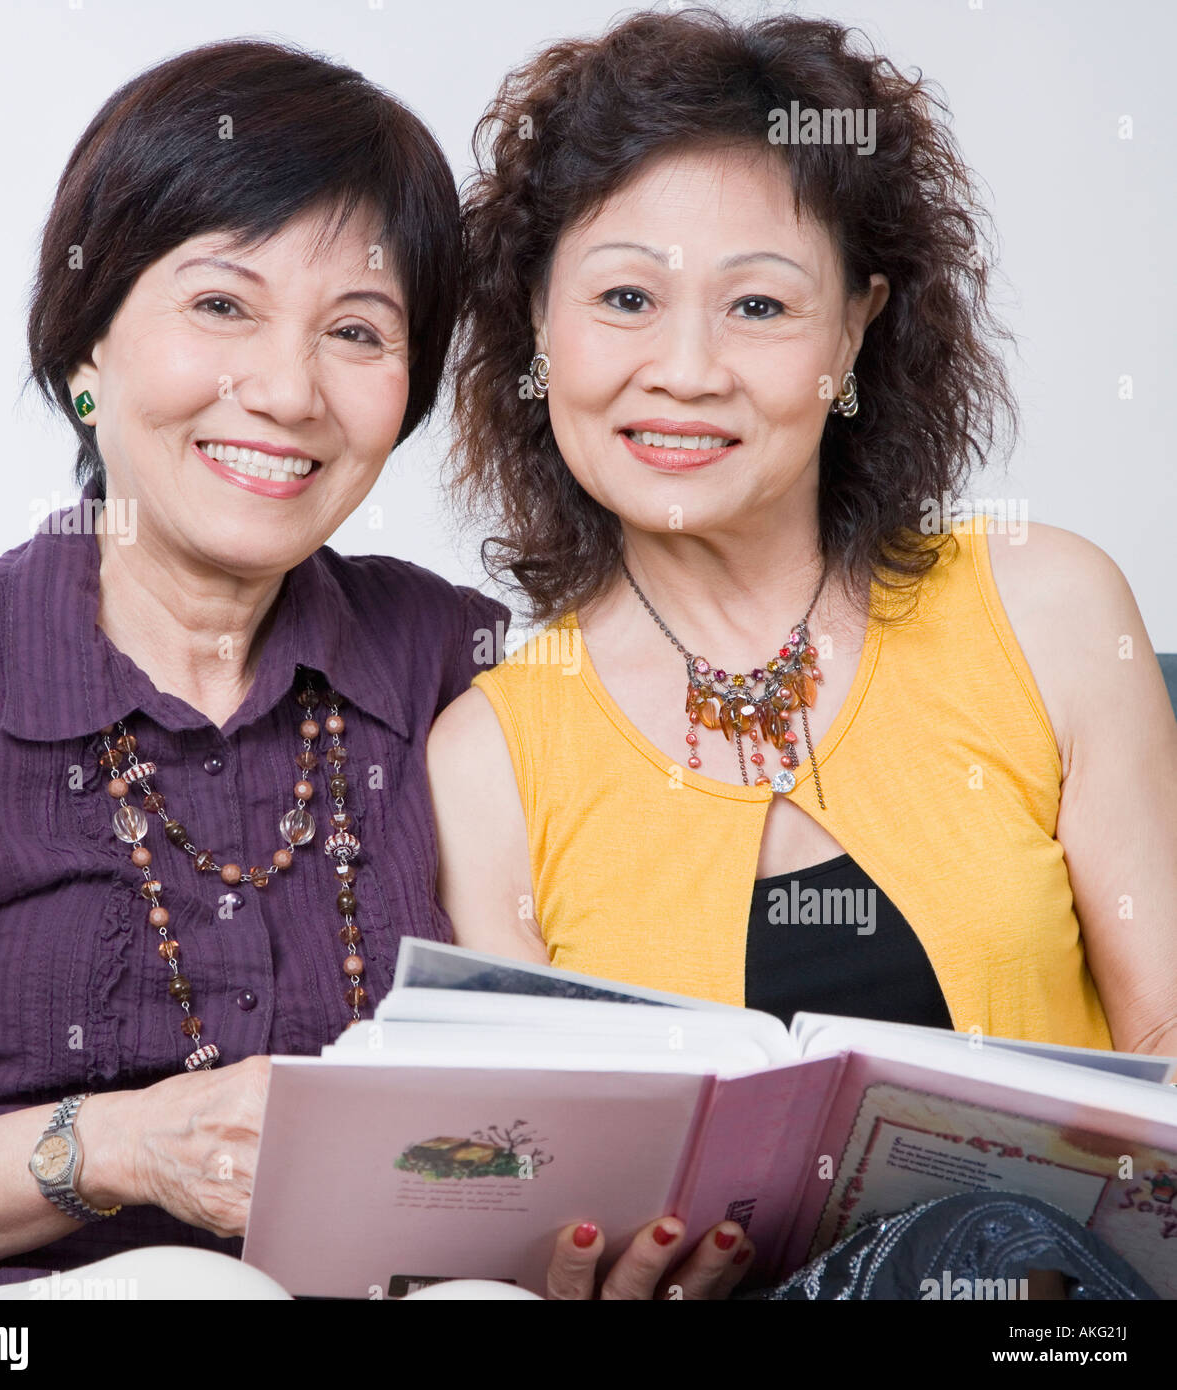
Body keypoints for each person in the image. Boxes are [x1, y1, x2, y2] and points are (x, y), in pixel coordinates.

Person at [429, 7, 1176, 1299]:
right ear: (538, 321)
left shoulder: (1048, 604)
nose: (686, 370)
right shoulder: (489, 755)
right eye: (624, 299)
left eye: (760, 304)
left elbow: (1164, 1026)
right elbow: (531, 1190)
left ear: (855, 330)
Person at [0, 38, 513, 1299]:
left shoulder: (450, 656)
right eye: (223, 305)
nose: (286, 390)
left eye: (356, 330)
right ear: (86, 350)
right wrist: (115, 1148)